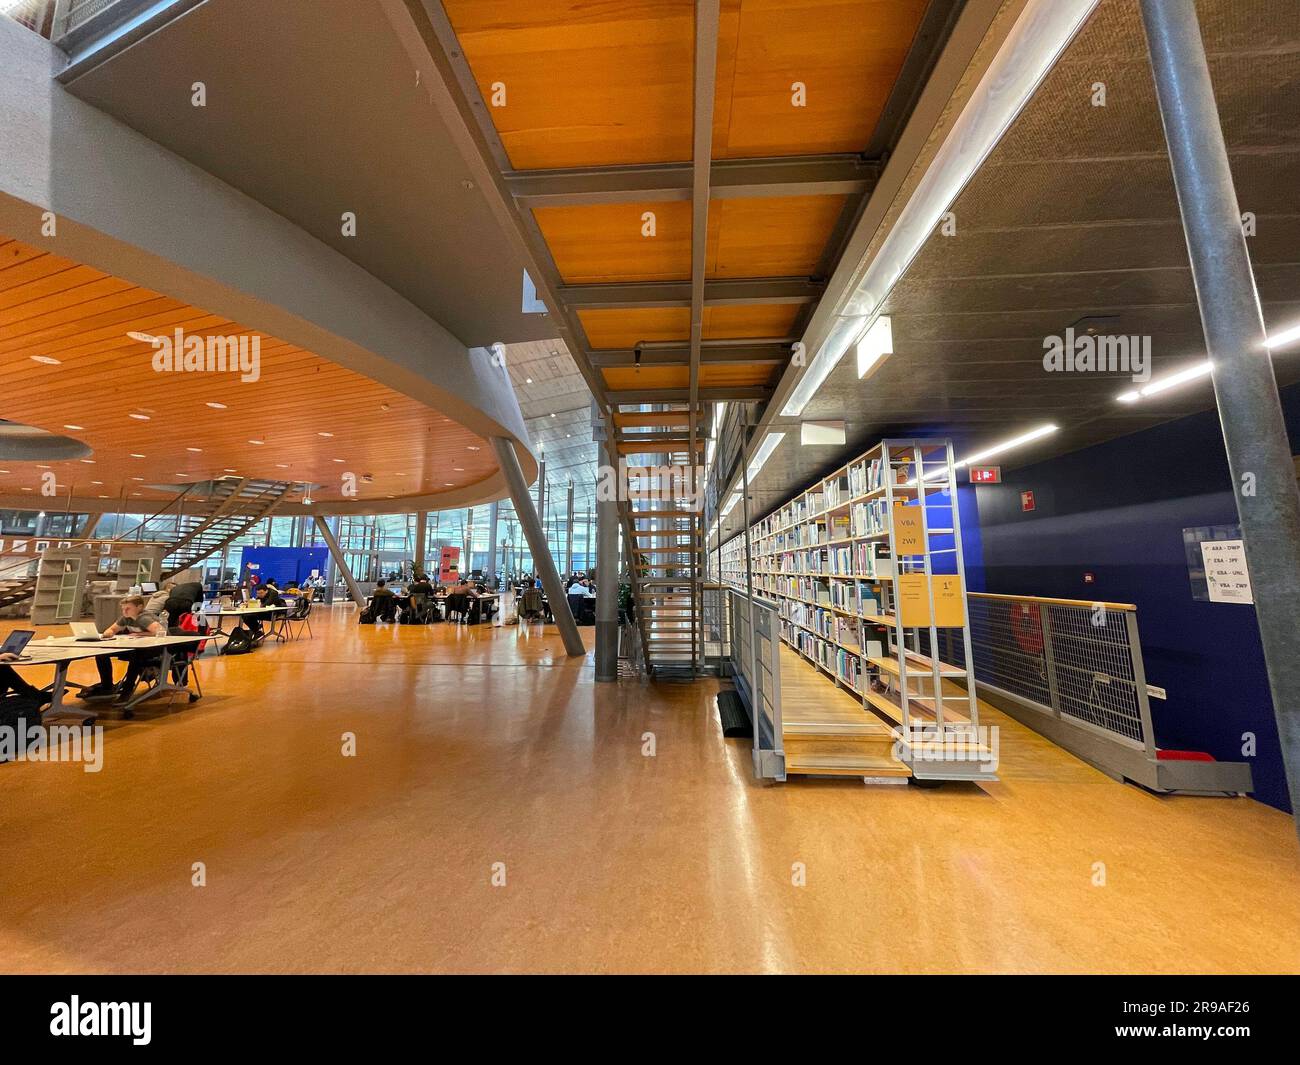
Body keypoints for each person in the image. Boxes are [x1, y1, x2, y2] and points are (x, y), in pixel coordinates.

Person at [81, 595, 165, 701]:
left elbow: (160, 632)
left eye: (128, 608)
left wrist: (140, 634)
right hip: (138, 648)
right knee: (102, 654)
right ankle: (107, 686)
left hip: (157, 649)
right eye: (123, 609)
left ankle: (128, 689)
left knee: (136, 657)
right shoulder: (126, 618)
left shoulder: (144, 618)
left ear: (139, 607)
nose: (125, 611)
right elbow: (112, 629)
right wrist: (108, 633)